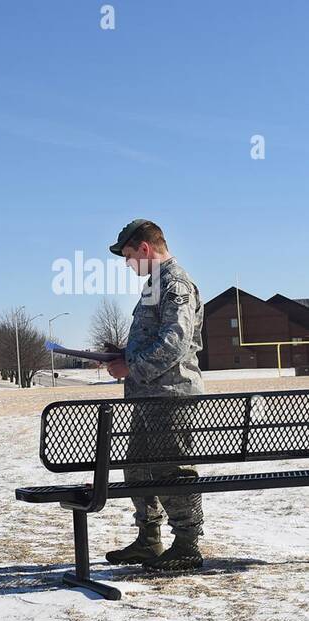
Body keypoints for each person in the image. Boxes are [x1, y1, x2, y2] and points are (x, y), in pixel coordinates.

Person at [104, 220, 205, 571]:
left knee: (172, 470)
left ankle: (187, 544)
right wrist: (122, 354)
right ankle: (149, 540)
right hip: (149, 397)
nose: (127, 264)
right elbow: (155, 339)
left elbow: (175, 342)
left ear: (145, 249)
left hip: (170, 396)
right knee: (138, 468)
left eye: (129, 256)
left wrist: (132, 368)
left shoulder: (174, 284)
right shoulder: (155, 285)